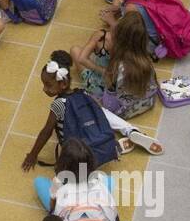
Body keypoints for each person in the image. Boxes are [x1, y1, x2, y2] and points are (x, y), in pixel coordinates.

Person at [20, 51, 161, 172]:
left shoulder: (58, 104)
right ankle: (120, 139)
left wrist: (33, 154)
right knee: (99, 113)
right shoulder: (84, 93)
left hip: (82, 159)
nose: (44, 89)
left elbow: (46, 132)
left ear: (63, 84)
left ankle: (101, 155)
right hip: (101, 143)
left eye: (48, 85)